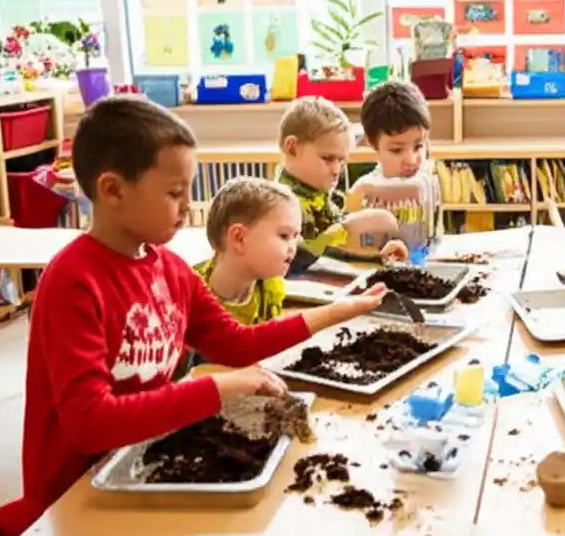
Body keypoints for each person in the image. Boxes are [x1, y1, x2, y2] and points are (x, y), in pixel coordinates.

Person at [0, 96, 387, 536]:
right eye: (174, 193)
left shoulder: (170, 271)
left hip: (145, 472)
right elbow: (89, 422)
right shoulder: (73, 282)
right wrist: (216, 390)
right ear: (113, 190)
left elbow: (235, 344)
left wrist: (336, 312)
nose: (187, 206)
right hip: (76, 503)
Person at [176, 176, 301, 377]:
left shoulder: (269, 288)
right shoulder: (186, 295)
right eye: (284, 236)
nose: (293, 247)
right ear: (239, 238)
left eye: (296, 236)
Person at [275, 96, 408, 272]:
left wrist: (378, 258)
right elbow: (301, 258)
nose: (336, 170)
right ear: (292, 148)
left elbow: (334, 254)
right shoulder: (282, 205)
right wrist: (342, 230)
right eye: (327, 158)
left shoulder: (322, 197)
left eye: (341, 161)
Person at [348, 80, 441, 252]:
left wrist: (365, 188)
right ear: (372, 143)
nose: (412, 159)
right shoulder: (365, 193)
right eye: (397, 150)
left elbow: (415, 189)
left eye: (418, 146)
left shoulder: (426, 176)